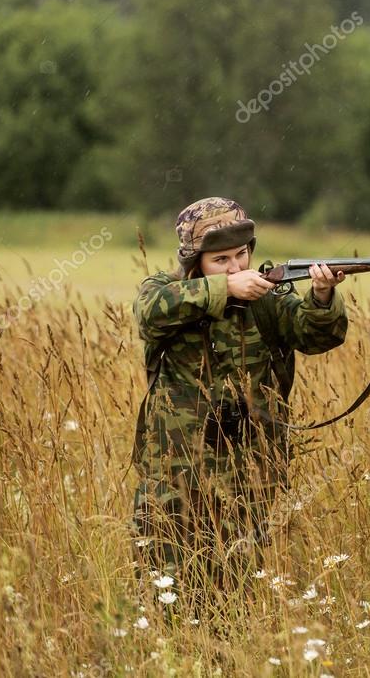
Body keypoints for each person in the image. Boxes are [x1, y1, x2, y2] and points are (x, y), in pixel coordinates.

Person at [130, 196, 347, 601]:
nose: (236, 267)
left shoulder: (268, 299)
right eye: (221, 260)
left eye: (241, 256)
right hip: (177, 470)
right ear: (196, 263)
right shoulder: (166, 291)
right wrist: (225, 289)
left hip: (249, 471)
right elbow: (149, 312)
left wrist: (321, 297)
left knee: (237, 588)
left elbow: (318, 336)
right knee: (166, 586)